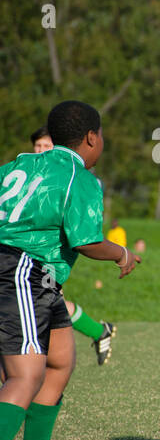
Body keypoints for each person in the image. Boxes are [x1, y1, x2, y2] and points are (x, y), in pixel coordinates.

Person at [0, 101, 140, 440]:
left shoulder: (19, 164)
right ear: (91, 137)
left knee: (60, 360)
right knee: (25, 375)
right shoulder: (79, 176)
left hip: (37, 278)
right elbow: (87, 241)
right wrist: (123, 253)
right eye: (102, 136)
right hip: (21, 271)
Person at [29, 128, 115, 366]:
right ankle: (98, 332)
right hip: (23, 257)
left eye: (46, 146)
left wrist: (120, 253)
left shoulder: (74, 178)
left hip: (45, 258)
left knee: (46, 306)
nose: (41, 151)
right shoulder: (27, 173)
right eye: (37, 146)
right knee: (51, 306)